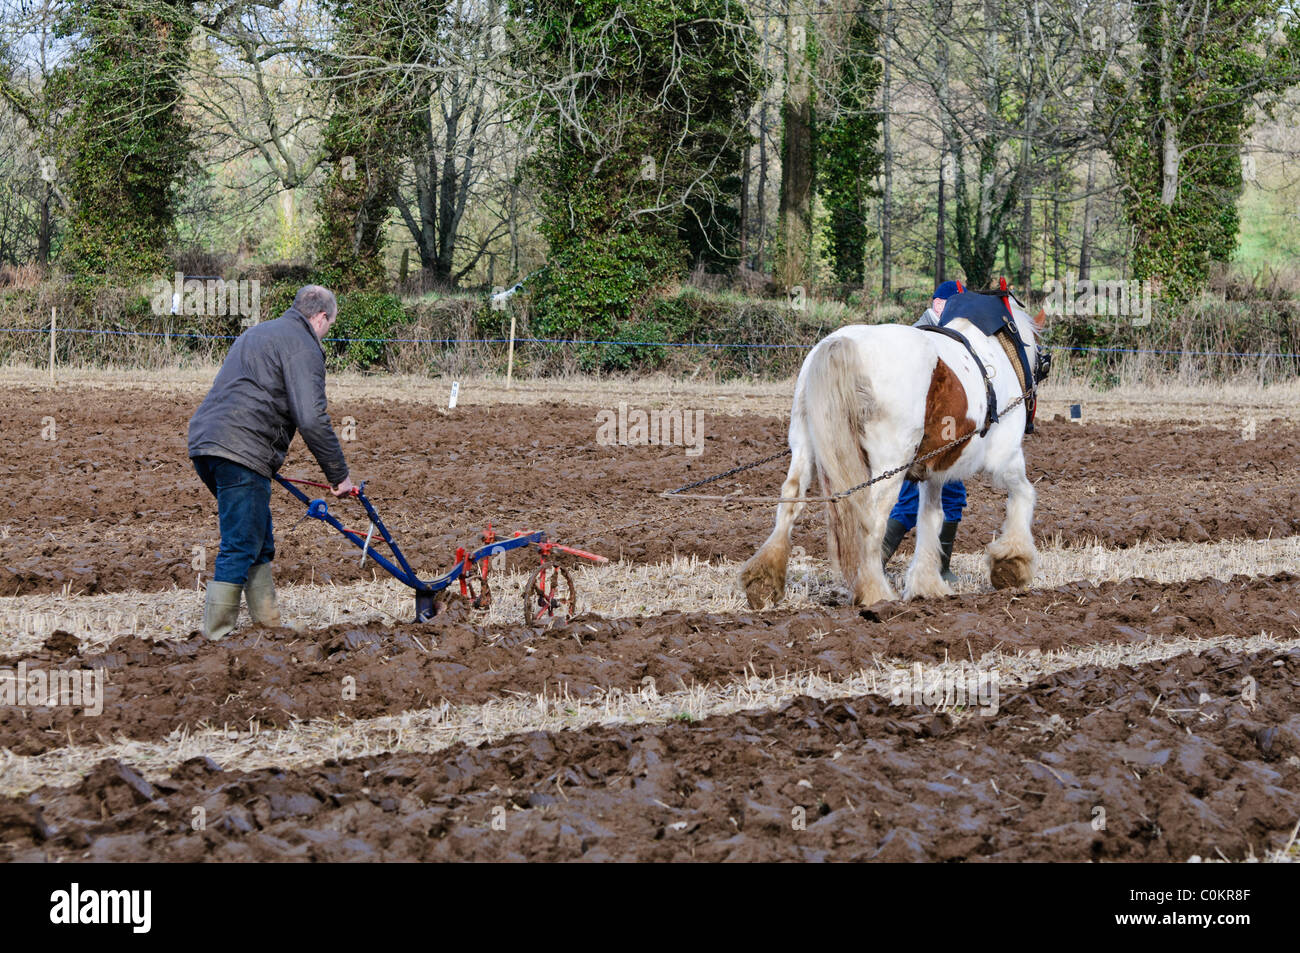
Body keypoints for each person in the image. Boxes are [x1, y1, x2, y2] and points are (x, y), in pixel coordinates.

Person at [188, 285, 355, 639]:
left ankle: (268, 623)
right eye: (330, 324)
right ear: (321, 317)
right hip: (241, 451)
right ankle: (215, 634)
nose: (327, 332)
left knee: (257, 539)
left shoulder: (258, 331)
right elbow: (311, 418)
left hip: (207, 443)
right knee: (239, 543)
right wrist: (339, 475)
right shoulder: (305, 346)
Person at [881, 279, 967, 583]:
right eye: (956, 304)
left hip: (935, 433)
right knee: (932, 495)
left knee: (928, 498)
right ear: (939, 304)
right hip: (927, 436)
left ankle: (880, 565)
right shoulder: (924, 338)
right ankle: (936, 569)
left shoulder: (936, 336)